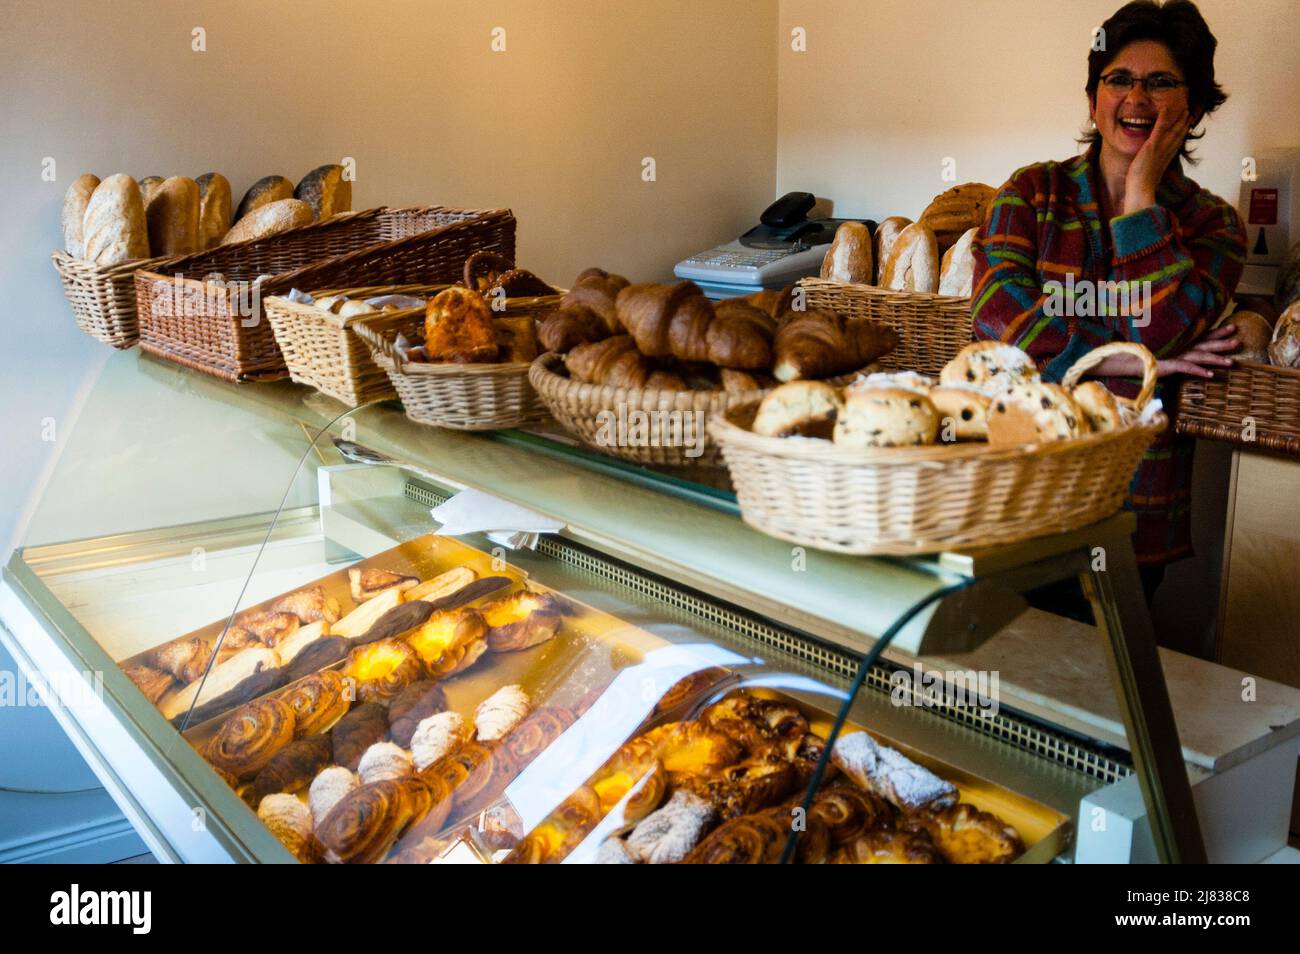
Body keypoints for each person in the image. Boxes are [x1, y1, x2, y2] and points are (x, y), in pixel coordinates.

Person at [971, 0, 1246, 616]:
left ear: (1195, 108)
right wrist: (1119, 363)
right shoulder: (1031, 193)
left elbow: (1166, 330)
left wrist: (1142, 193)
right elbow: (996, 313)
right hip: (1016, 490)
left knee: (1099, 691)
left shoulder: (1213, 224)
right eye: (1118, 79)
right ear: (1093, 99)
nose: (1135, 98)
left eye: (1161, 83)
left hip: (1133, 511)